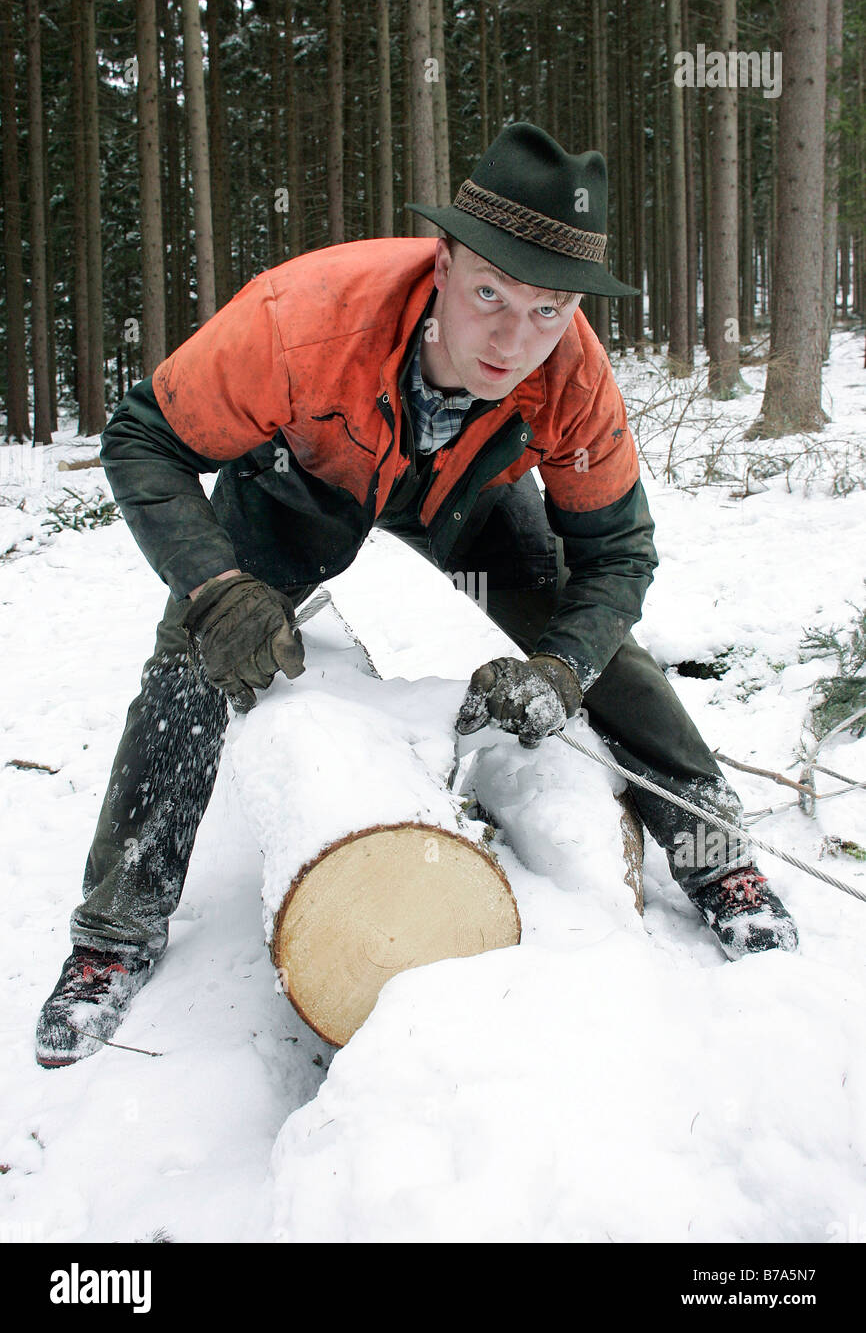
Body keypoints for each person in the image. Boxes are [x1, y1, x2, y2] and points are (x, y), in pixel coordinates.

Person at [36, 123, 798, 1068]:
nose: (513, 340)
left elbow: (617, 552)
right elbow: (144, 436)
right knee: (192, 666)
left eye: (548, 310)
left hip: (471, 500)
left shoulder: (570, 374)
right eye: (490, 295)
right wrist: (216, 586)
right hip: (304, 487)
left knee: (604, 659)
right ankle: (115, 934)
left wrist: (563, 668)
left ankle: (717, 854)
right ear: (442, 262)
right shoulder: (300, 317)